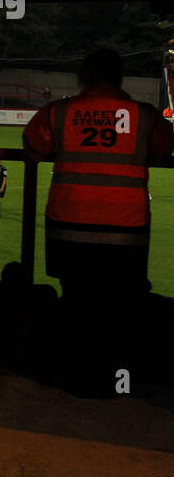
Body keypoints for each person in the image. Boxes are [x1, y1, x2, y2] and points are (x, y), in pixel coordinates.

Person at [23, 49, 174, 397]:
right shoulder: (145, 115)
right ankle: (112, 381)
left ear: (84, 77)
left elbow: (32, 146)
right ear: (119, 78)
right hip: (126, 231)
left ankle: (75, 377)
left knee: (76, 302)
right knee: (119, 306)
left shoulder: (59, 112)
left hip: (70, 225)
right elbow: (165, 147)